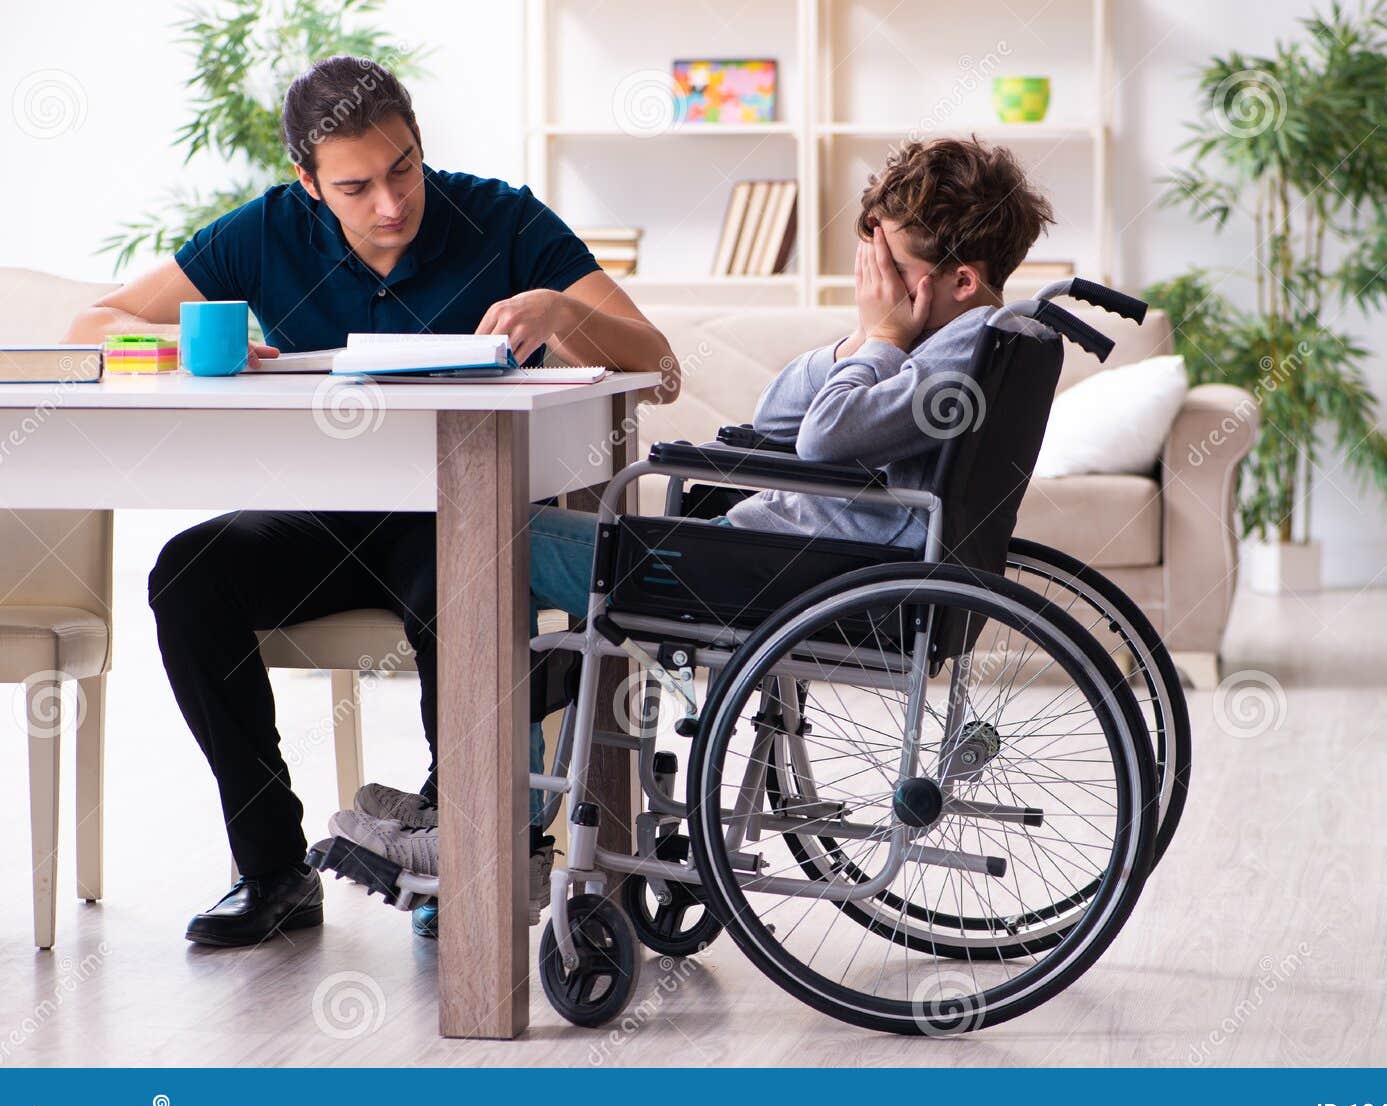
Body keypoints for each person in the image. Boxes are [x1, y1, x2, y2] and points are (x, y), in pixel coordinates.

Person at [329, 135, 1058, 937]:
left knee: (492, 539)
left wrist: (882, 337)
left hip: (796, 579)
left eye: (890, 273)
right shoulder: (963, 339)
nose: (874, 288)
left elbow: (822, 439)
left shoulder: (953, 358)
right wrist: (863, 339)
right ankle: (480, 812)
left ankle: (482, 838)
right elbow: (784, 416)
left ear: (958, 281)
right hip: (792, 565)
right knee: (575, 596)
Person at [65, 55, 676, 948]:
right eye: (356, 187)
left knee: (461, 577)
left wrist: (560, 312)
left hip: (463, 513)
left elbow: (658, 365)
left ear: (421, 149)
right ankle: (274, 872)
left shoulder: (502, 218)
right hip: (326, 516)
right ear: (308, 185)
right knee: (189, 574)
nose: (390, 204)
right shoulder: (262, 233)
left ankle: (464, 846)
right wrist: (223, 336)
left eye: (403, 170)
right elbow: (93, 326)